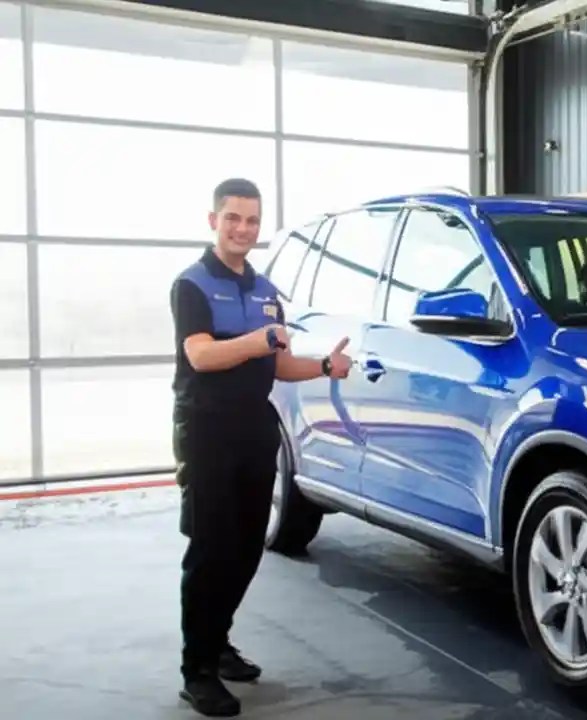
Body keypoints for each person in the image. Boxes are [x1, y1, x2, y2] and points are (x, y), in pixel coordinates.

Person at [169, 178, 352, 717]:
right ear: (213, 221)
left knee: (248, 546)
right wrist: (258, 341)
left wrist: (323, 366)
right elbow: (201, 356)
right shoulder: (193, 285)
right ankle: (196, 670)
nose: (243, 229)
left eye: (251, 220)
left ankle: (217, 640)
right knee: (210, 549)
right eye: (233, 219)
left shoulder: (267, 291)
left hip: (254, 426)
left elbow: (278, 366)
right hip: (206, 428)